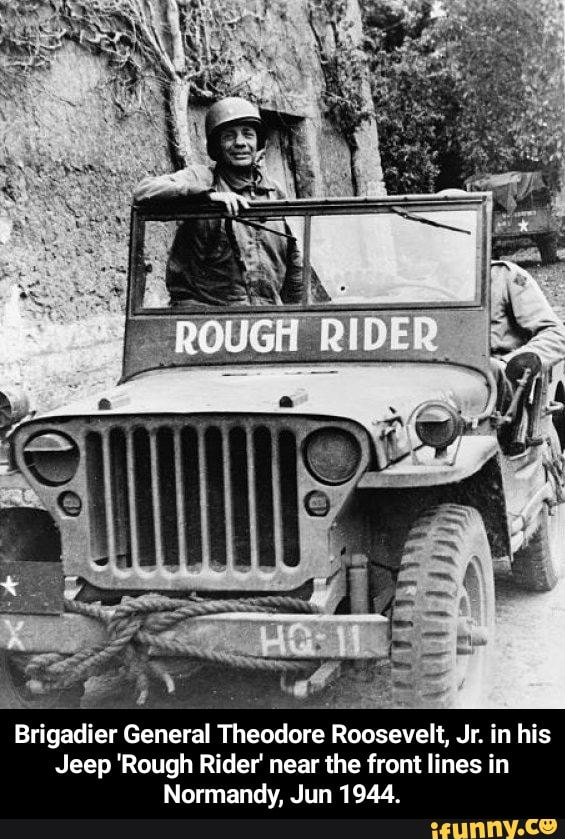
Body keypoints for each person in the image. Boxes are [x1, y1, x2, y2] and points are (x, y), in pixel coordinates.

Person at [134, 96, 303, 307]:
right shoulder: (202, 178)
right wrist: (207, 195)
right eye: (229, 136)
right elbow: (144, 191)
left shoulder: (274, 192)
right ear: (216, 146)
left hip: (264, 321)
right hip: (206, 322)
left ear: (258, 143)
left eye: (248, 135)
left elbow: (295, 261)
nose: (240, 142)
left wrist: (297, 316)